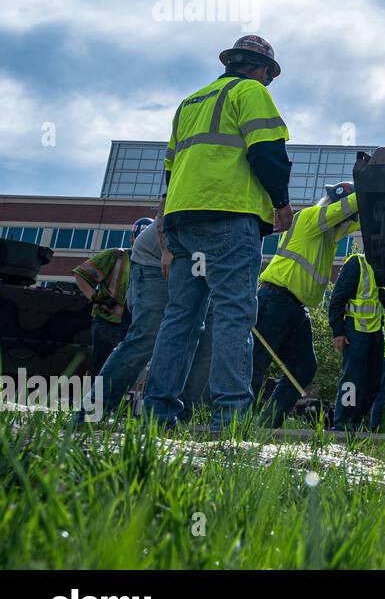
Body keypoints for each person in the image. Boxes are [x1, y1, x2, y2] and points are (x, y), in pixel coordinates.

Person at [143, 36, 293, 428]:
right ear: (261, 70)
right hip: (229, 216)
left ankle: (157, 414)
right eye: (268, 75)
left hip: (183, 221)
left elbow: (170, 171)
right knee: (233, 315)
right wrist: (281, 203)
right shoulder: (251, 92)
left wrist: (164, 237)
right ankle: (228, 418)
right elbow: (267, 153)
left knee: (181, 317)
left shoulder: (189, 103)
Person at [80, 218, 214, 422]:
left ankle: (169, 416)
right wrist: (166, 249)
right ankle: (93, 411)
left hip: (194, 264)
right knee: (146, 337)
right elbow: (164, 207)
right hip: (157, 260)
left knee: (193, 337)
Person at [252, 182, 359, 427]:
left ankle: (268, 424)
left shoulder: (326, 235)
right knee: (255, 363)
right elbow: (345, 212)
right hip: (277, 300)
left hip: (294, 309)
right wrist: (368, 190)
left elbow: (355, 220)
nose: (347, 227)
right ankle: (235, 421)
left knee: (303, 367)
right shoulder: (311, 217)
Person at [328, 243, 385, 429]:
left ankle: (355, 422)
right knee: (351, 381)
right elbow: (337, 298)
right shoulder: (357, 263)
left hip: (375, 334)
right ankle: (341, 424)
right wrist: (338, 331)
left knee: (373, 384)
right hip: (354, 332)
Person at [72, 237, 133, 375]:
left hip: (135, 325)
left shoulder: (154, 261)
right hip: (109, 321)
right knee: (102, 369)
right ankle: (96, 396)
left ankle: (110, 396)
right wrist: (96, 297)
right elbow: (81, 274)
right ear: (133, 238)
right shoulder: (116, 255)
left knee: (123, 371)